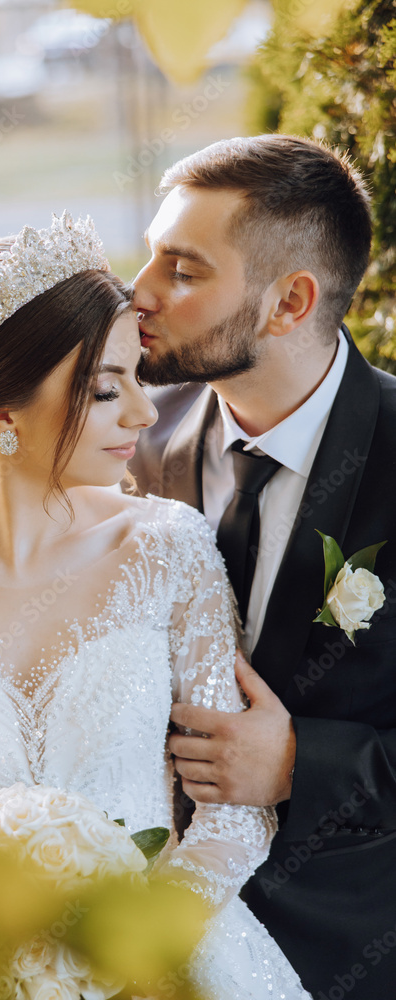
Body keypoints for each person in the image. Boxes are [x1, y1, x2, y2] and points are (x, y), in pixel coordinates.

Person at [0, 213, 311, 999]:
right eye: (108, 389)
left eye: (136, 380)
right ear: (2, 412)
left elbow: (232, 815)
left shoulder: (170, 550)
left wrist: (129, 949)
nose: (142, 415)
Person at [130, 134, 396, 999]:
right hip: (136, 935)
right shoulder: (124, 434)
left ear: (289, 302)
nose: (138, 295)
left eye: (182, 269)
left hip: (350, 950)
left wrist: (298, 766)